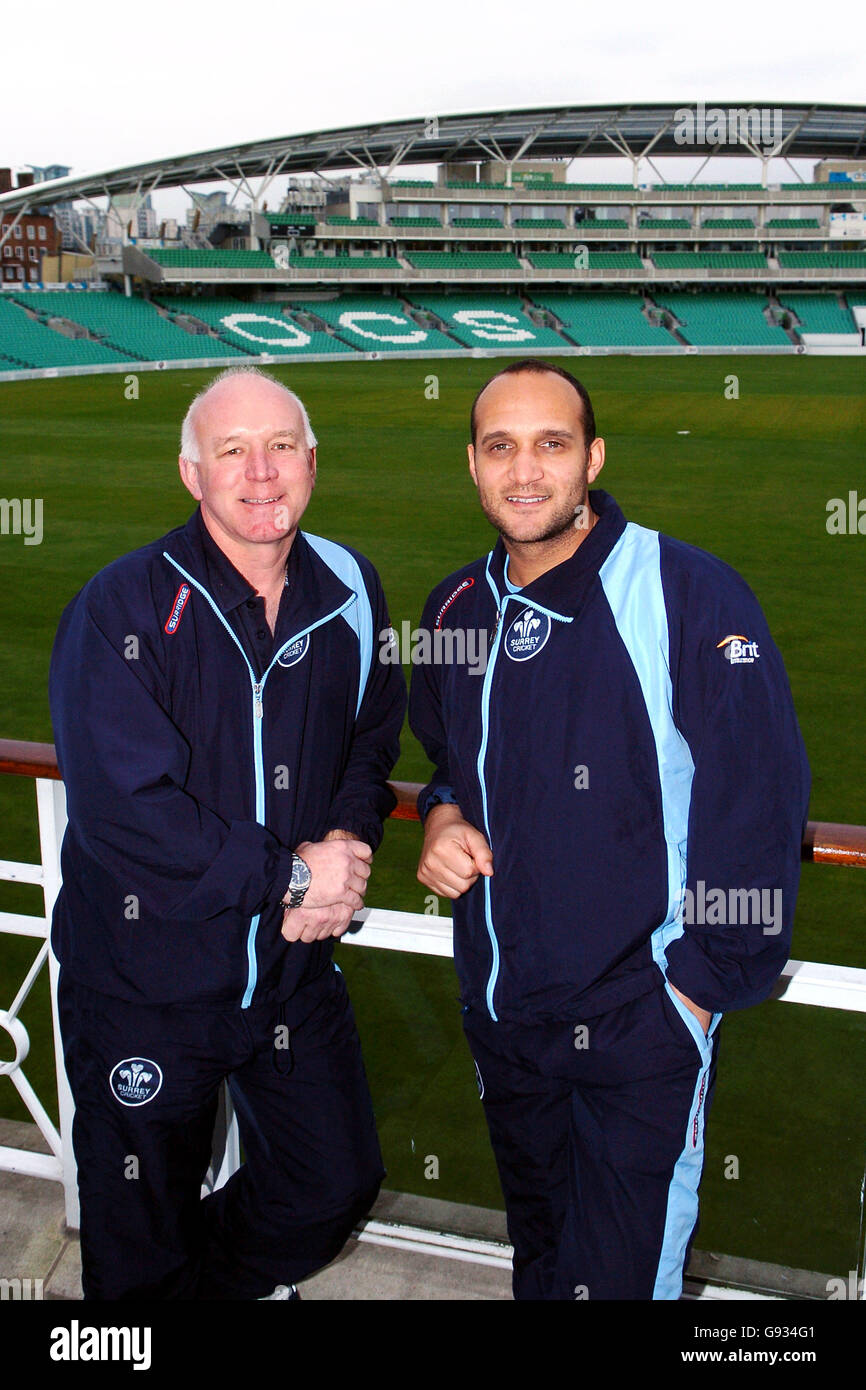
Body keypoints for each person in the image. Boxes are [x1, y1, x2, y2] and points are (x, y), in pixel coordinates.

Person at [409, 358, 809, 1301]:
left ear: (593, 457)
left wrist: (700, 991)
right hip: (507, 1023)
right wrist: (442, 812)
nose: (524, 472)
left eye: (551, 445)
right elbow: (448, 757)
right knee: (544, 1270)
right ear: (472, 463)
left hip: (641, 1029)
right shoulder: (456, 610)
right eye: (501, 447)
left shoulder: (685, 592)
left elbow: (759, 796)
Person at [49, 365, 406, 1300]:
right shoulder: (122, 606)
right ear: (191, 473)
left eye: (280, 446)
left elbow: (371, 740)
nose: (260, 473)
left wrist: (345, 850)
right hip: (144, 984)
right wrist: (290, 877)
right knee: (136, 1224)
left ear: (313, 463)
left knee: (334, 1181)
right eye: (232, 451)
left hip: (289, 976)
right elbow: (125, 813)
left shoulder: (351, 589)